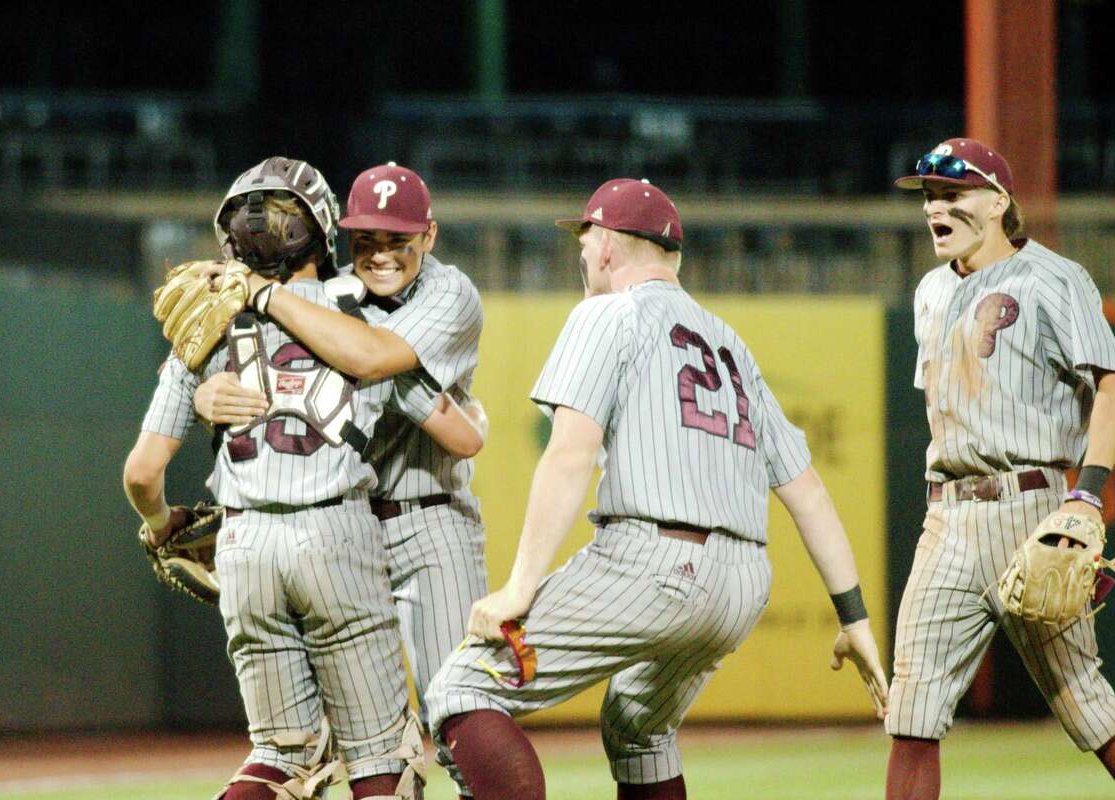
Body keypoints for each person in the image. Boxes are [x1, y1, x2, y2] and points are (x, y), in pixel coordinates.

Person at [422, 178, 889, 800]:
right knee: (638, 728)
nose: (581, 253)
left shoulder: (607, 313)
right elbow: (808, 493)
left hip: (654, 563)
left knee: (461, 688)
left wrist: (521, 587)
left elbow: (569, 456)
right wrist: (854, 617)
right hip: (743, 585)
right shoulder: (732, 345)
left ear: (607, 245)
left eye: (585, 240)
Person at [123, 157, 483, 800]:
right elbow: (458, 433)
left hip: (243, 546)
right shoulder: (365, 316)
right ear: (325, 231)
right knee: (381, 759)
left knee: (278, 756)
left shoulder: (201, 326)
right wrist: (470, 414)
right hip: (336, 532)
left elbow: (142, 473)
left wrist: (163, 525)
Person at [885, 138, 1115, 799]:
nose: (935, 208)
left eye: (952, 194)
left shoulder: (1055, 277)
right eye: (930, 197)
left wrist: (1088, 495)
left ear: (996, 201)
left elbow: (1110, 383)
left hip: (1031, 507)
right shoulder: (931, 291)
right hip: (947, 516)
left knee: (1086, 704)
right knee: (912, 709)